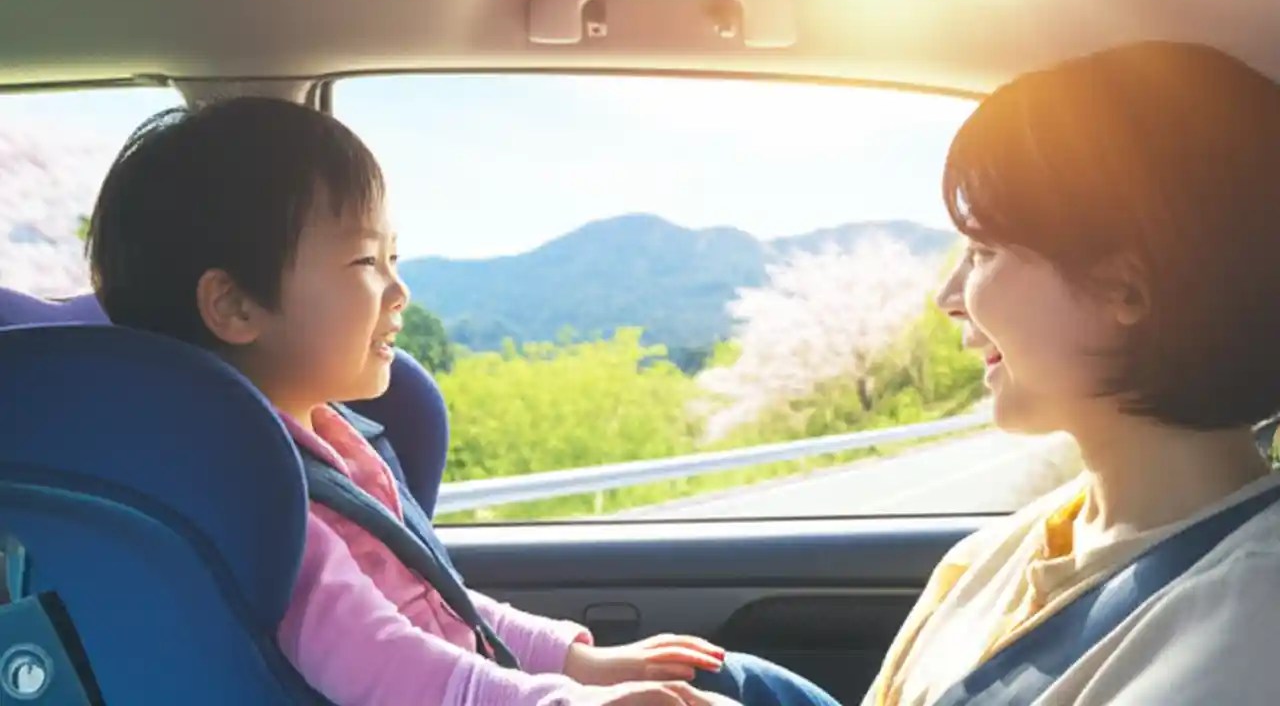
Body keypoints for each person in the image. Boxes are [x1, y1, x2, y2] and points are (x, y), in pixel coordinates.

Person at [85, 96, 838, 706]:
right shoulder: (252, 500)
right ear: (236, 306)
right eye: (364, 261)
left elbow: (439, 609)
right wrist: (562, 699)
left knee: (740, 682)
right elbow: (383, 663)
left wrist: (583, 660)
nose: (401, 292)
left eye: (395, 259)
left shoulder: (330, 444)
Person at [858, 40, 1280, 704]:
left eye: (982, 250)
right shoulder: (999, 551)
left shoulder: (1250, 623)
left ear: (1128, 291)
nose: (948, 297)